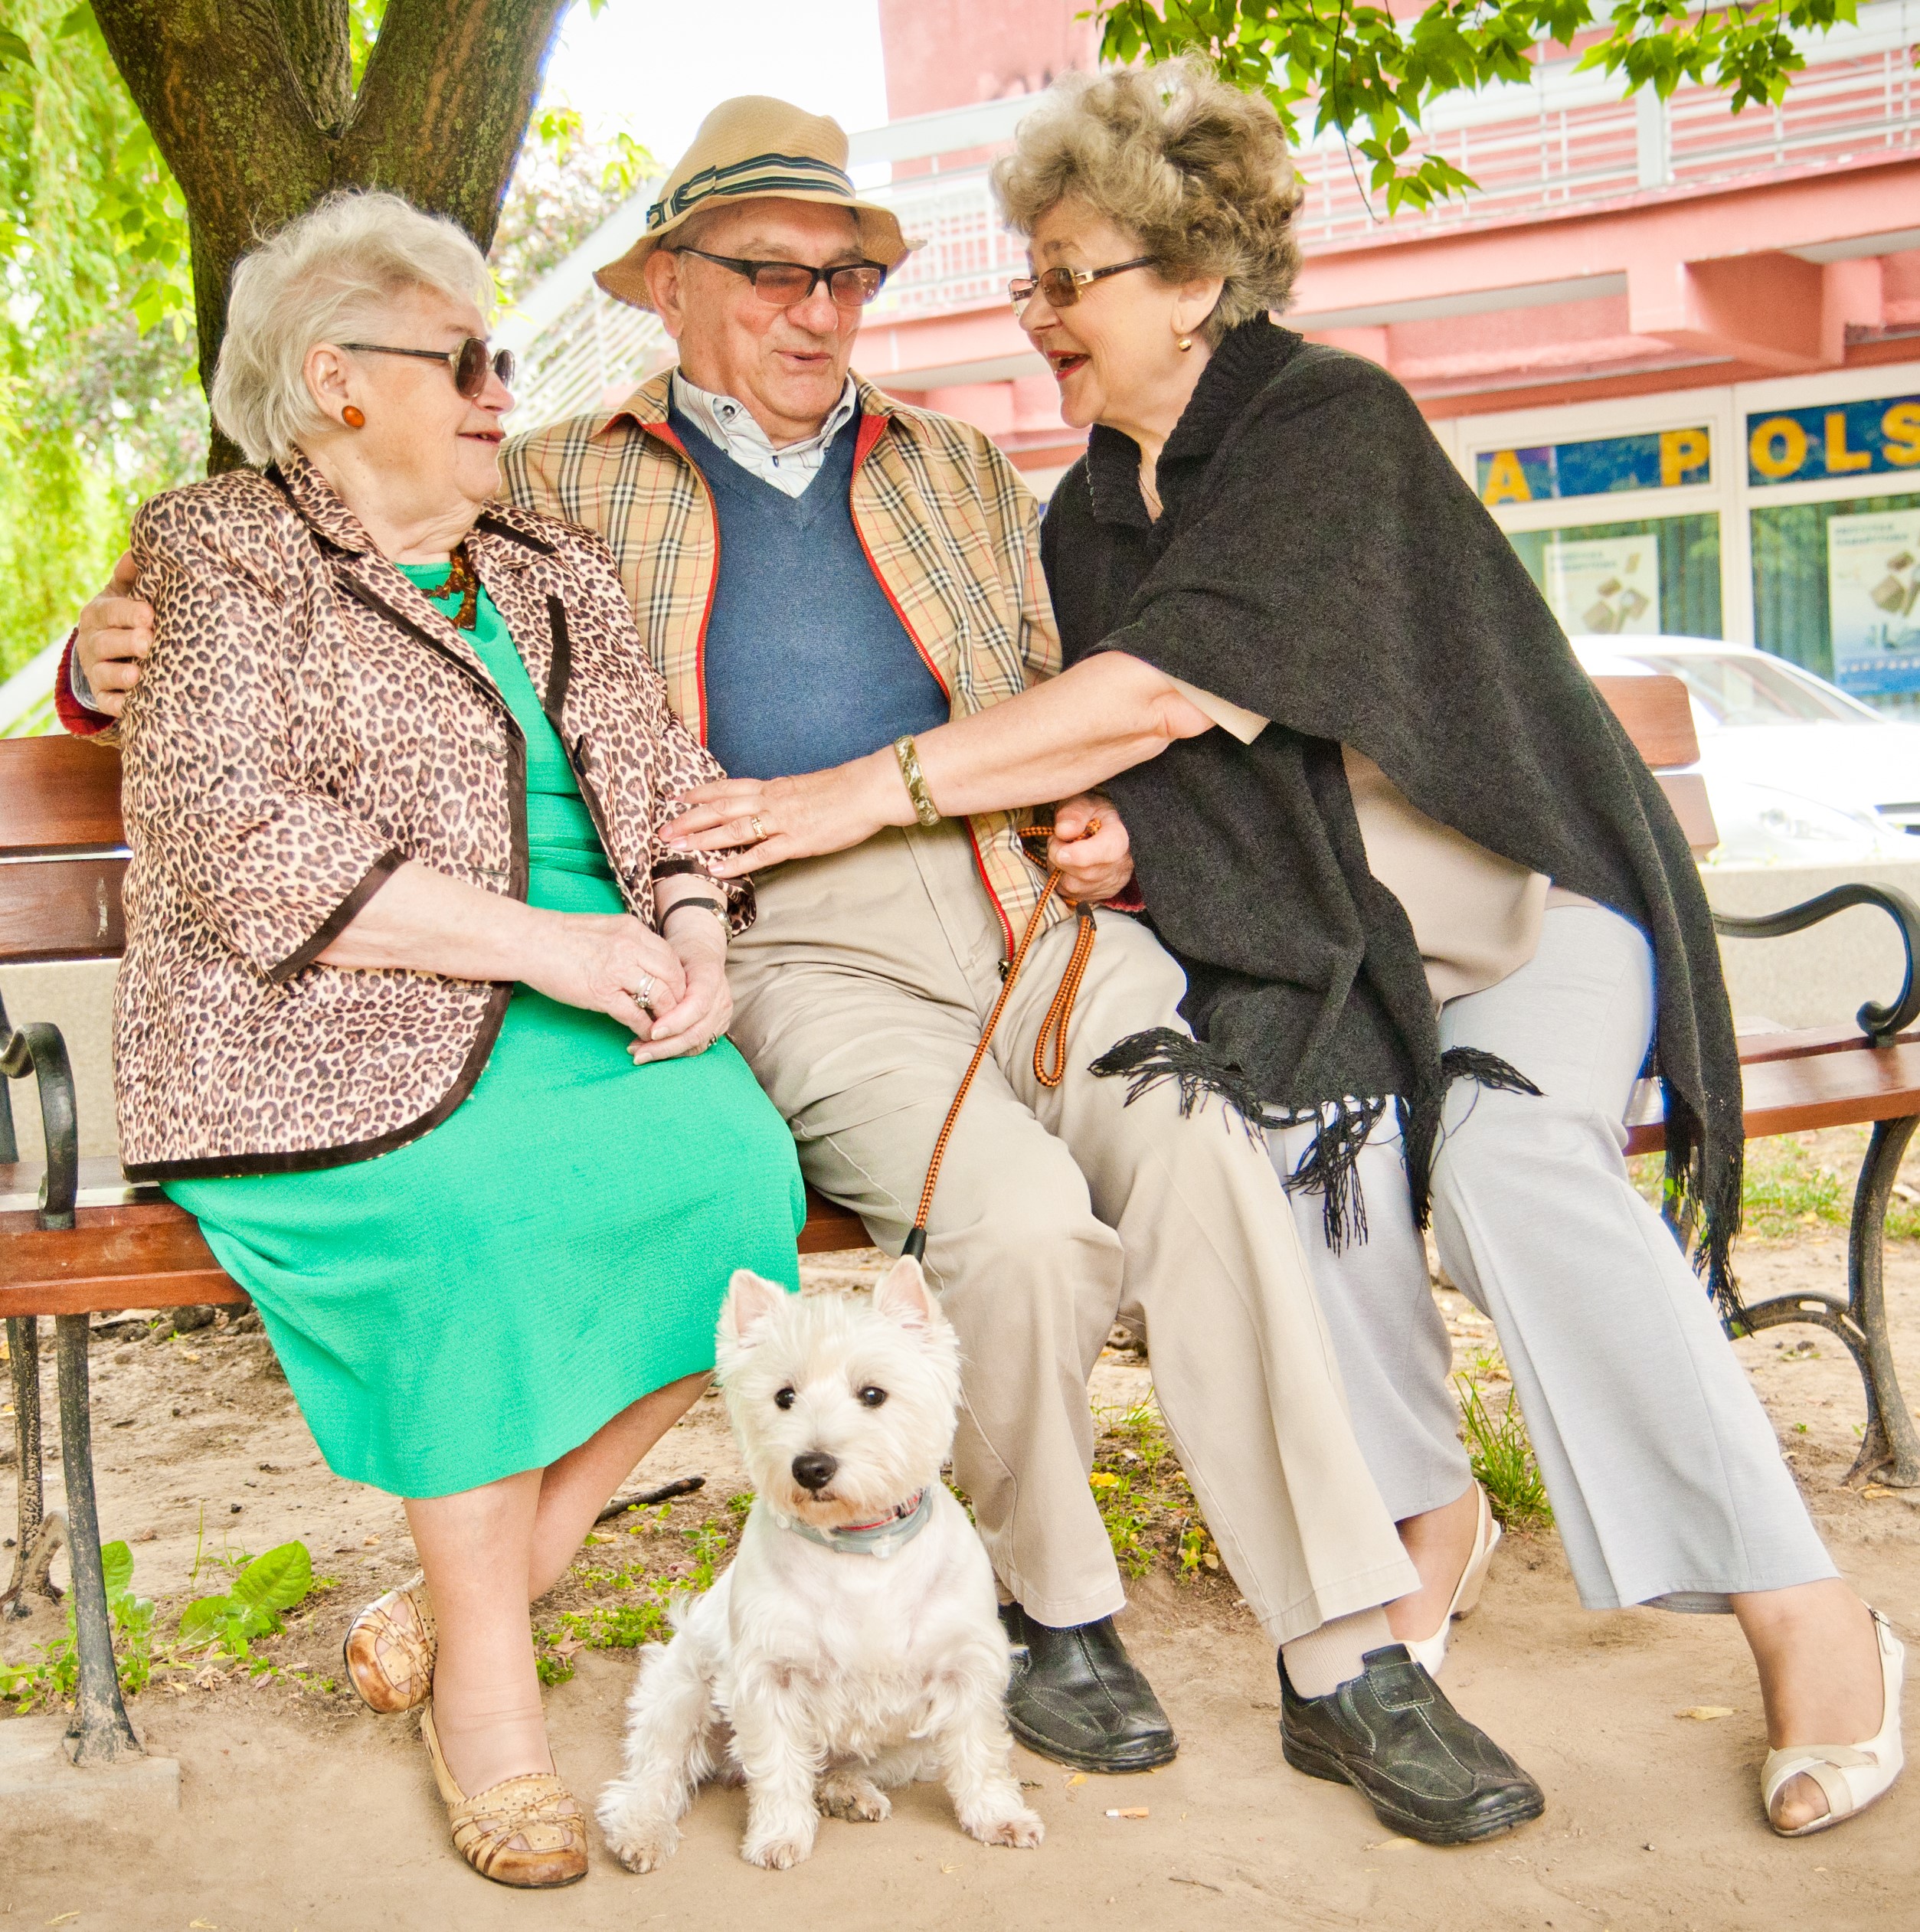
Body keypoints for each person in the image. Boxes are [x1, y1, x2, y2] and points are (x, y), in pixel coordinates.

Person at [63, 96, 1545, 1845]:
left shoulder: (959, 470)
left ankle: (1346, 1655)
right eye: (769, 273)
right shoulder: (551, 475)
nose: (816, 310)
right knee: (1017, 1224)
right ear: (669, 288)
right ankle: (1053, 1611)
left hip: (1016, 911)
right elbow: (303, 571)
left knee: (1208, 1158)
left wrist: (1104, 817)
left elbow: (1057, 684)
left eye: (845, 276)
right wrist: (98, 662)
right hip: (800, 929)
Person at [661, 66, 1907, 1840]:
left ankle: (1808, 1615)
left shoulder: (1332, 426)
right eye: (1030, 279)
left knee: (1504, 1166)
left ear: (1191, 278)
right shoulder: (1093, 506)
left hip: (1524, 907)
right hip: (1328, 949)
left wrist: (884, 786)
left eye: (1069, 276)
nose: (1038, 315)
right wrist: (1107, 833)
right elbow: (1129, 754)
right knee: (1287, 1126)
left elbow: (1163, 689)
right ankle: (1420, 1521)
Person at [106, 189, 806, 1888]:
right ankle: (489, 1698)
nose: (506, 387)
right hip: (316, 1021)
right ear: (338, 381)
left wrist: (696, 930)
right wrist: (554, 948)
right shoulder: (215, 548)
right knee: (478, 1222)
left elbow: (656, 787)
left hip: (578, 995)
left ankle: (463, 1592)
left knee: (743, 1189)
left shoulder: (547, 564)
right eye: (470, 357)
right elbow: (237, 835)